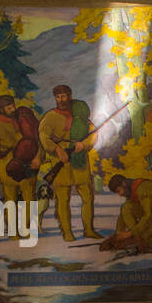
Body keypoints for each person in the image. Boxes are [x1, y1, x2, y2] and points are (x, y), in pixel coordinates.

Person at [37, 85, 100, 242]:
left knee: (88, 197)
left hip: (79, 160)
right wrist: (57, 150)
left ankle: (89, 230)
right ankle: (67, 233)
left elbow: (93, 134)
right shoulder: (50, 117)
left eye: (64, 96)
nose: (61, 100)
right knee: (63, 199)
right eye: (58, 97)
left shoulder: (80, 115)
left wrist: (83, 145)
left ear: (70, 96)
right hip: (61, 161)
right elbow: (44, 137)